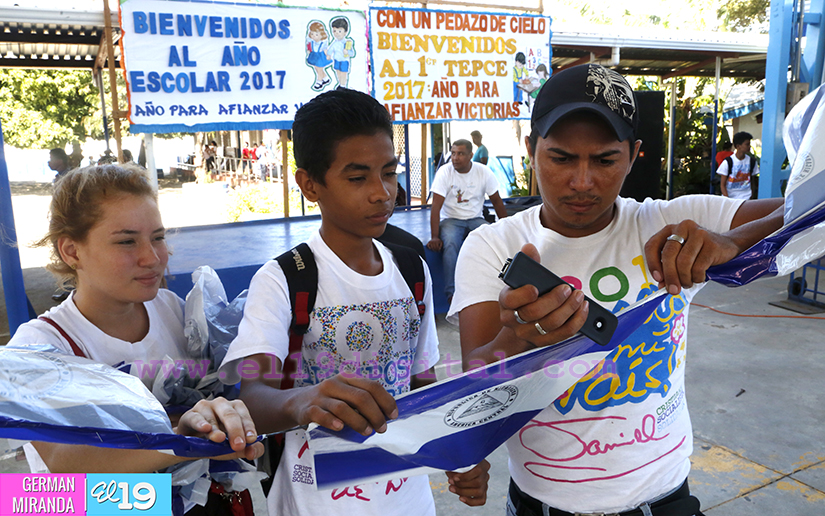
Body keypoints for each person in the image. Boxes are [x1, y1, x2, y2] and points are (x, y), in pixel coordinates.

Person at [450, 64, 783, 516]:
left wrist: (733, 240)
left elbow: (812, 208)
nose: (582, 182)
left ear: (633, 155)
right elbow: (474, 384)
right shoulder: (494, 245)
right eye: (561, 158)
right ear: (531, 150)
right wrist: (517, 341)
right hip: (541, 505)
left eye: (605, 160)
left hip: (664, 501)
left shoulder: (671, 222)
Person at [218, 88, 489, 516]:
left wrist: (457, 450)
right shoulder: (284, 279)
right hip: (315, 503)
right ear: (310, 184)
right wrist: (302, 401)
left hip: (409, 500)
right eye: (358, 177)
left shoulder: (412, 271)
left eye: (389, 172)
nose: (383, 193)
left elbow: (422, 382)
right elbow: (252, 396)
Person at [8, 164, 263, 474]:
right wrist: (180, 441)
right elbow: (64, 461)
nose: (152, 258)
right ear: (72, 251)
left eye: (157, 238)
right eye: (127, 241)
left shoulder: (171, 308)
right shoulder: (39, 346)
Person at [426, 139, 508, 303]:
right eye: (453, 153)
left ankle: (495, 288)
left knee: (493, 240)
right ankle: (452, 293)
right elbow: (435, 208)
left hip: (476, 218)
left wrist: (507, 228)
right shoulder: (445, 172)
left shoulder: (483, 172)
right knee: (450, 243)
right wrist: (435, 236)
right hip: (451, 220)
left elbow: (497, 202)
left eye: (461, 154)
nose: (455, 158)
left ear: (471, 155)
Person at [717, 132, 759, 200]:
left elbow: (753, 181)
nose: (749, 147)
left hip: (746, 198)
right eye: (747, 144)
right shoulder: (728, 162)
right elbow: (723, 185)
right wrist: (727, 199)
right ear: (738, 146)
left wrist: (752, 196)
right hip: (731, 198)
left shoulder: (752, 162)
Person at [326, 17, 355, 88]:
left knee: (343, 73)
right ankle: (340, 83)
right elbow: (330, 49)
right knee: (338, 71)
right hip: (336, 59)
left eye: (339, 31)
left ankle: (343, 85)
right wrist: (329, 55)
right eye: (334, 31)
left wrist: (347, 52)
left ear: (345, 32)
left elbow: (352, 53)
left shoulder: (347, 43)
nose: (337, 34)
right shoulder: (335, 43)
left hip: (344, 60)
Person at [306, 20, 332, 91]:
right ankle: (326, 78)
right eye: (312, 34)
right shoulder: (311, 41)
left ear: (322, 35)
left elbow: (325, 49)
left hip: (320, 56)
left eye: (316, 34)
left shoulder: (323, 43)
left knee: (319, 68)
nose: (314, 36)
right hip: (314, 55)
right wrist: (309, 51)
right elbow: (309, 46)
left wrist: (328, 55)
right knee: (316, 68)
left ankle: (319, 81)